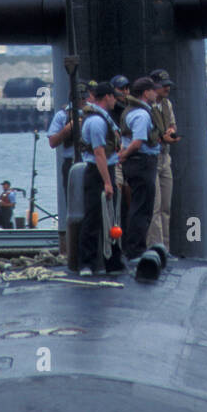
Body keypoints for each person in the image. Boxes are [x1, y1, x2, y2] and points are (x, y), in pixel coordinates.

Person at [78, 83, 123, 274]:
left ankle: (112, 262)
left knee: (111, 218)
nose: (116, 100)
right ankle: (87, 263)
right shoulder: (97, 121)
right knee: (94, 217)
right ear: (107, 97)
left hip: (105, 170)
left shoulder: (102, 118)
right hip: (98, 173)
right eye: (114, 97)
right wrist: (107, 182)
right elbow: (99, 153)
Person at [118, 76, 160, 261]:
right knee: (142, 207)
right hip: (142, 162)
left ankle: (134, 247)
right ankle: (136, 249)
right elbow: (137, 142)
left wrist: (124, 156)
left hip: (135, 163)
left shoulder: (131, 111)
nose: (156, 93)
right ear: (145, 93)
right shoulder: (142, 115)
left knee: (138, 205)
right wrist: (124, 156)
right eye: (153, 90)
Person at [48, 82, 91, 215]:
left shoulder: (94, 113)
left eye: (84, 97)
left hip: (91, 162)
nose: (82, 101)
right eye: (80, 98)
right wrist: (68, 129)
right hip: (71, 162)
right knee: (72, 203)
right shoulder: (62, 115)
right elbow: (52, 142)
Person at [147, 69, 177, 254]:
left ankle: (165, 248)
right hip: (151, 158)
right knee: (155, 207)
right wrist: (161, 137)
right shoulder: (145, 107)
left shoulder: (167, 104)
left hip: (165, 158)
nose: (167, 88)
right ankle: (155, 247)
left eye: (168, 85)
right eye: (164, 85)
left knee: (166, 207)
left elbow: (172, 124)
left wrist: (170, 132)